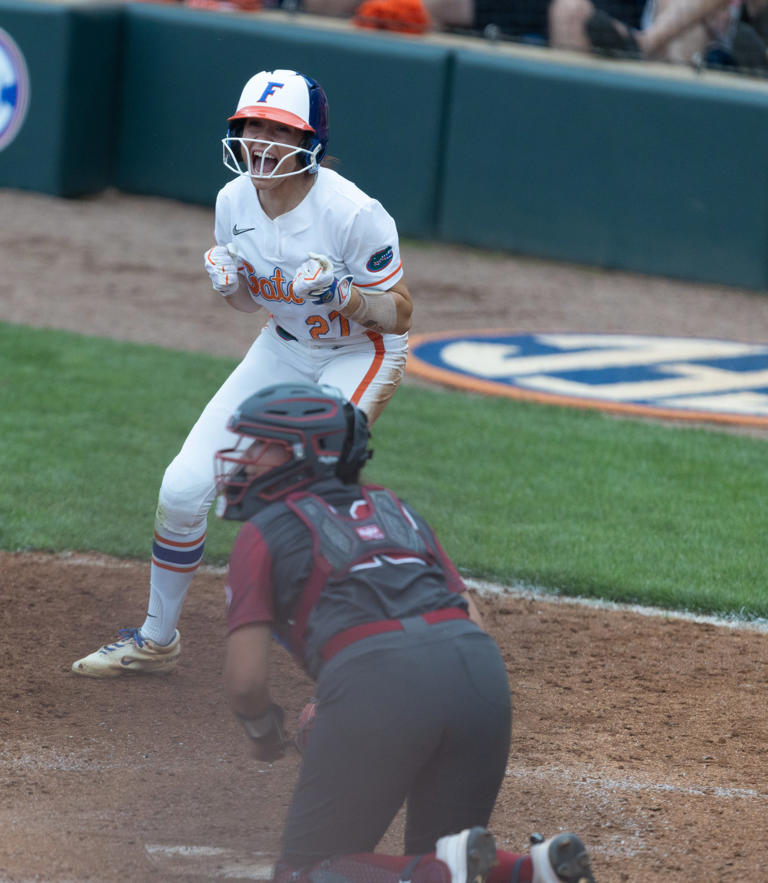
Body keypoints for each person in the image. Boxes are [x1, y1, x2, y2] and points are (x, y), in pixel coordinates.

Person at [72, 69, 412, 678]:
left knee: (306, 496)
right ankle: (156, 640)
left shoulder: (353, 213)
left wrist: (346, 296)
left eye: (278, 128)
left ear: (310, 141)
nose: (259, 138)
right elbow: (254, 305)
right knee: (181, 489)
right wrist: (231, 289)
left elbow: (400, 312)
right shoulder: (234, 201)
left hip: (360, 353)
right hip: (281, 347)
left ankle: (365, 654)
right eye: (251, 124)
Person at [213, 381, 597, 883]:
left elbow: (246, 684)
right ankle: (533, 870)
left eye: (262, 446)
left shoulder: (263, 532)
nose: (244, 459)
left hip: (379, 686)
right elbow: (471, 620)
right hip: (478, 678)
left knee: (302, 873)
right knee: (452, 855)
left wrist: (265, 732)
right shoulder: (398, 509)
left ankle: (443, 872)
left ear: (305, 455)